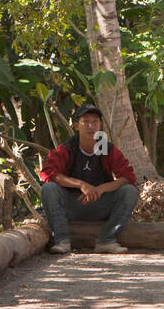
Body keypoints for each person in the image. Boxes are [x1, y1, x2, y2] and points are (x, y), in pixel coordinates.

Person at [39, 104, 139, 253]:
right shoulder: (68, 148)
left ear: (100, 125)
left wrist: (100, 189)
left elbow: (128, 177)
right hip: (72, 205)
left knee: (130, 191)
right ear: (76, 125)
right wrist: (81, 185)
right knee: (48, 188)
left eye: (95, 122)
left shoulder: (106, 148)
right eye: (85, 121)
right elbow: (48, 173)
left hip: (101, 205)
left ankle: (107, 239)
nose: (91, 126)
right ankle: (62, 240)